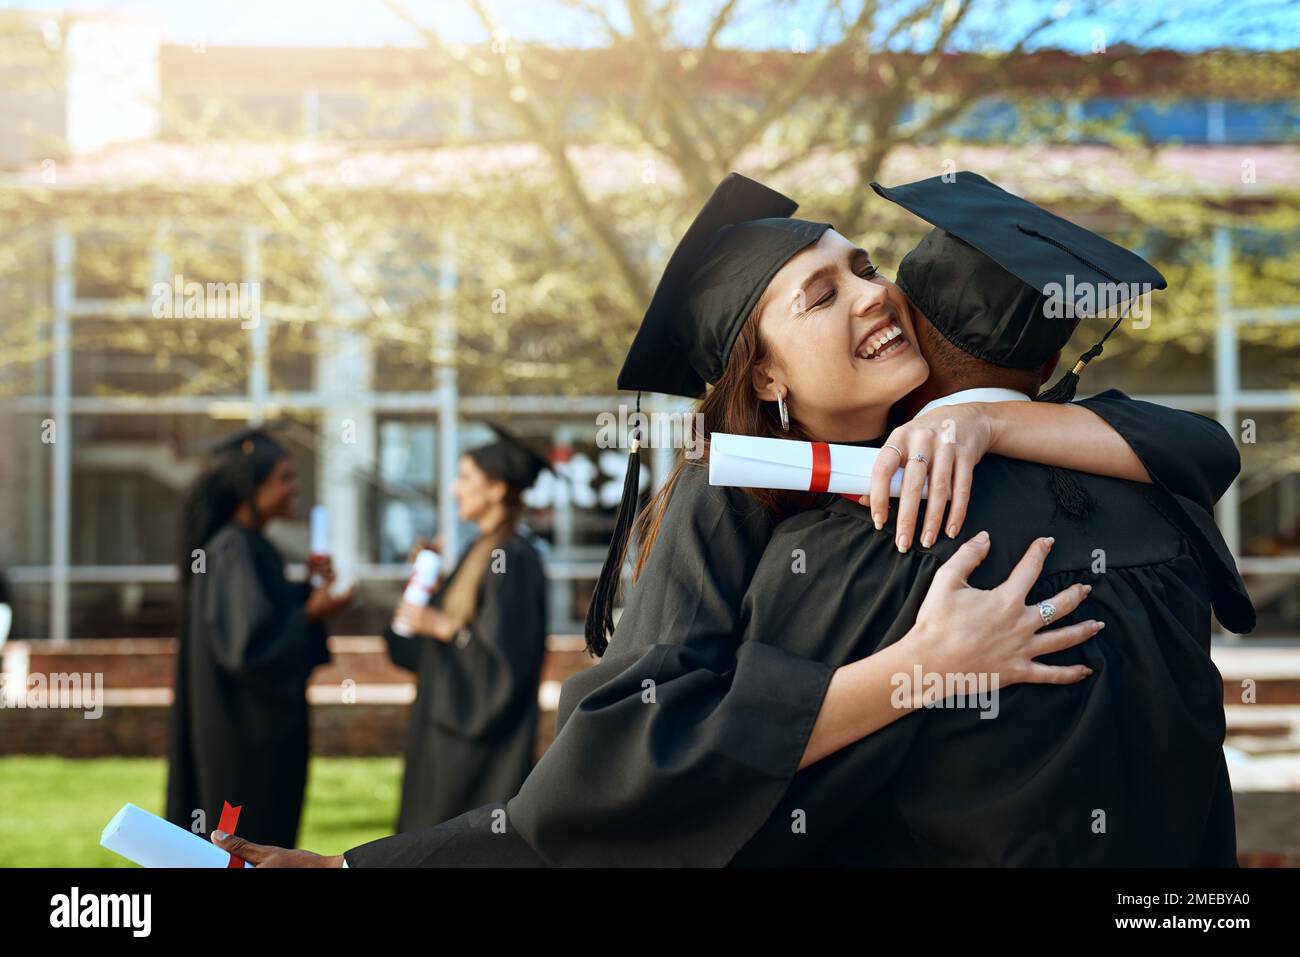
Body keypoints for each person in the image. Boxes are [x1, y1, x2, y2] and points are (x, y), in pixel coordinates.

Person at [211, 173, 1239, 867]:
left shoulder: (915, 495)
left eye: (869, 270)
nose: (873, 299)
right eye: (819, 295)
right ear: (765, 374)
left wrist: (991, 420)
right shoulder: (733, 496)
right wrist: (921, 662)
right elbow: (622, 766)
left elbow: (1194, 445)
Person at [723, 171, 1253, 865]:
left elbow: (749, 783)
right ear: (1055, 360)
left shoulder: (866, 533)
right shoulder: (1163, 503)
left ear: (900, 332)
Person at [166, 427, 353, 847]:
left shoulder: (249, 546)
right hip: (241, 742)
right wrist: (310, 611)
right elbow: (248, 648)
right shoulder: (234, 551)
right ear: (250, 487)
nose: (295, 488)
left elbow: (261, 619)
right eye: (285, 478)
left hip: (246, 733)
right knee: (246, 846)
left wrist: (308, 594)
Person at [382, 424, 550, 831]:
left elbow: (506, 669)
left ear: (496, 489)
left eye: (465, 478)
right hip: (445, 742)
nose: (455, 489)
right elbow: (418, 650)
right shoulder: (481, 552)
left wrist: (445, 628)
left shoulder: (514, 558)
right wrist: (425, 587)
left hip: (476, 757)